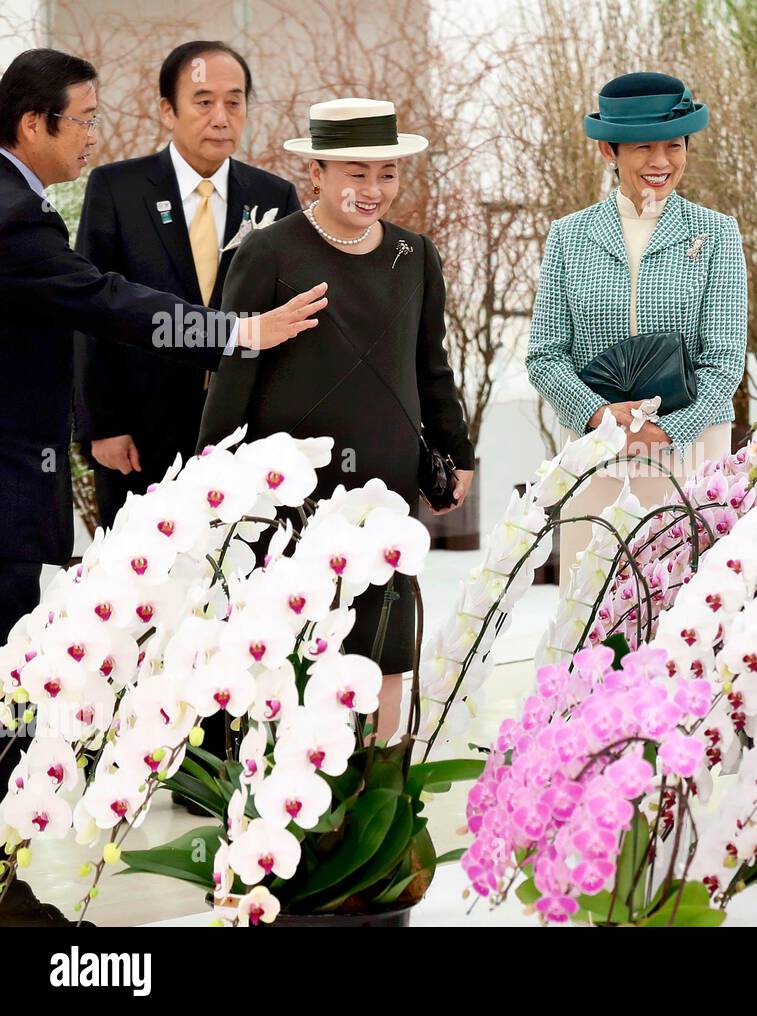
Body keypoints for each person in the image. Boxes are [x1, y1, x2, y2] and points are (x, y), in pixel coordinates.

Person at [0, 47, 324, 923]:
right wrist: (236, 330)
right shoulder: (26, 217)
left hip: (235, 452)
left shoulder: (268, 194)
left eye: (235, 100)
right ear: (36, 124)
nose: (95, 135)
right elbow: (103, 304)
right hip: (59, 465)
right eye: (86, 118)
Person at [197, 98, 474, 743]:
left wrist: (455, 451)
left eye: (387, 174)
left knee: (388, 627)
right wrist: (213, 470)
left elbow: (430, 365)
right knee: (291, 627)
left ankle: (382, 770)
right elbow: (234, 363)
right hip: (289, 481)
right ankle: (282, 762)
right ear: (316, 174)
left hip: (386, 478)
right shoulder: (267, 253)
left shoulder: (416, 255)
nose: (373, 189)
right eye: (356, 173)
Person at [526, 72, 748, 580]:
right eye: (643, 147)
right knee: (592, 604)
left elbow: (724, 361)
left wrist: (664, 430)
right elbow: (545, 355)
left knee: (681, 611)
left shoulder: (715, 234)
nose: (661, 162)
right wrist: (599, 418)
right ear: (610, 151)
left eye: (673, 145)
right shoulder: (570, 236)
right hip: (594, 451)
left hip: (689, 453)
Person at [74, 40, 302, 530]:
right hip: (140, 433)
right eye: (203, 101)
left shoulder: (273, 195)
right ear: (167, 109)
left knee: (234, 581)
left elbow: (289, 317)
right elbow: (90, 315)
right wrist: (103, 426)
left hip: (243, 433)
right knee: (141, 585)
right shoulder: (117, 189)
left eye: (234, 101)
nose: (220, 116)